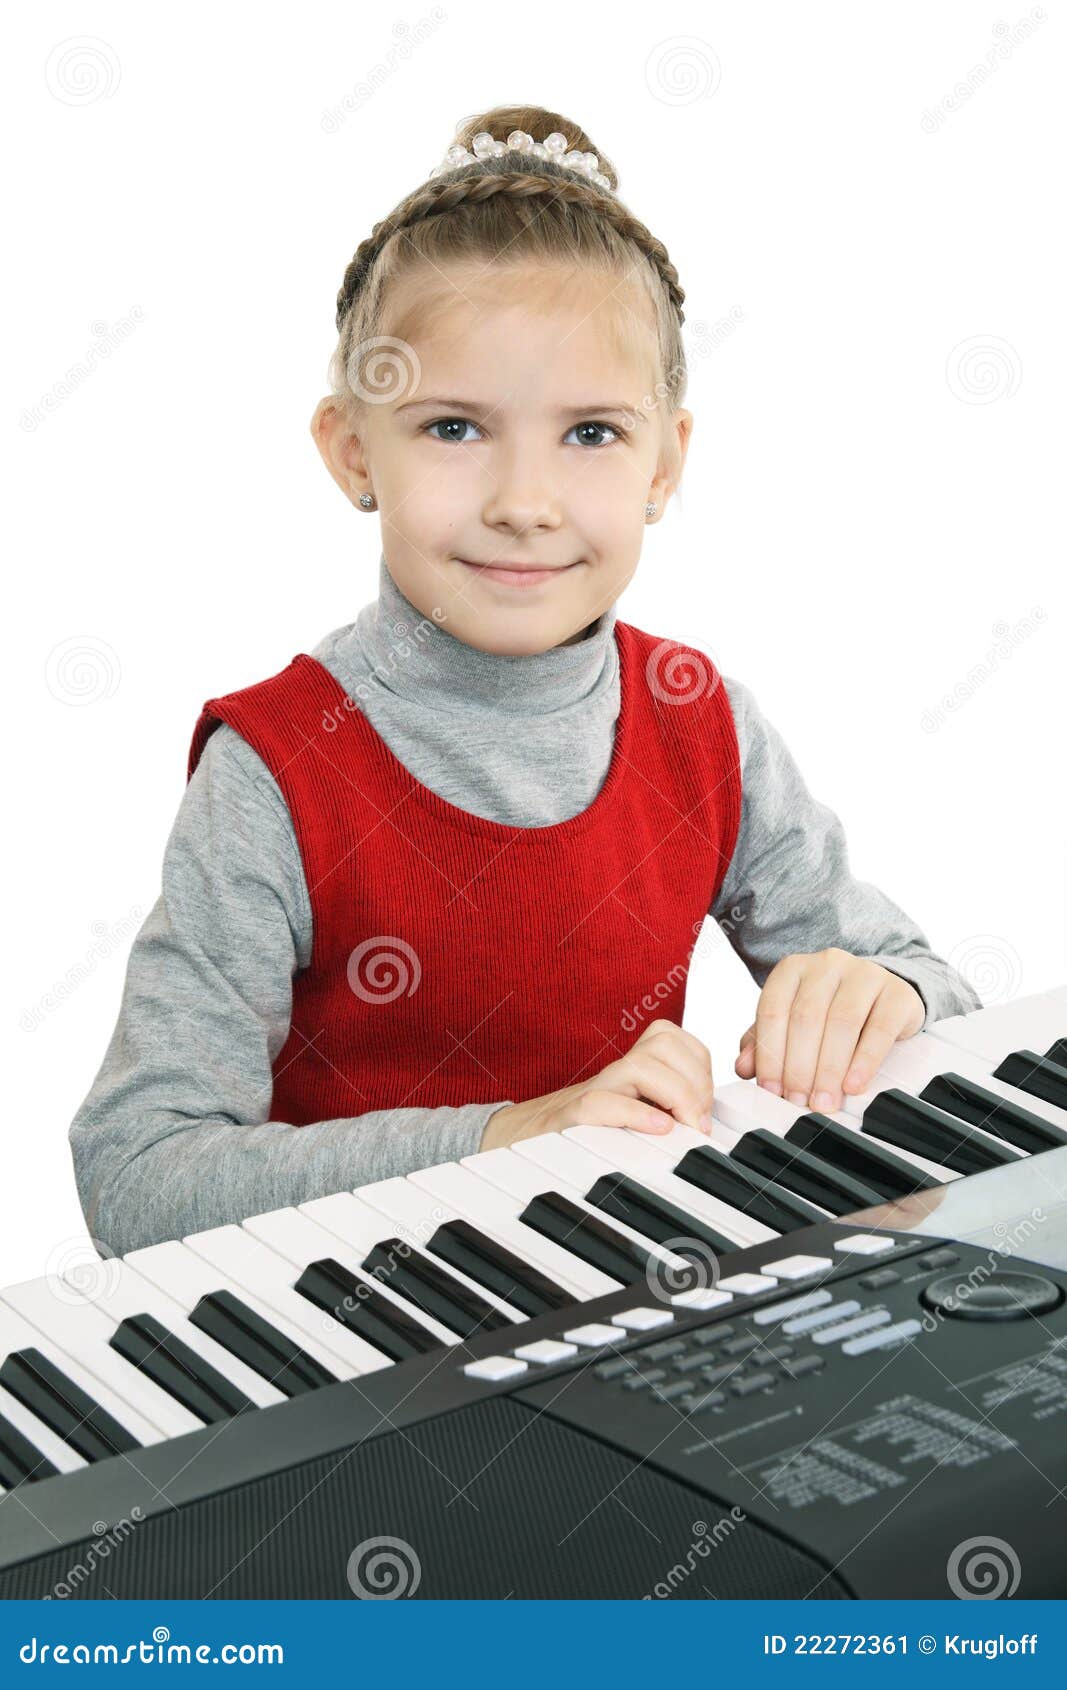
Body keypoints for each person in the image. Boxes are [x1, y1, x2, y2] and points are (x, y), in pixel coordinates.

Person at [69, 104, 981, 1259]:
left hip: (634, 1301)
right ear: (351, 450)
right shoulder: (274, 771)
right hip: (356, 1325)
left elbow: (932, 987)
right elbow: (137, 1175)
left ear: (665, 463)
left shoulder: (701, 723)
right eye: (453, 427)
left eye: (590, 433)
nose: (524, 502)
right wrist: (508, 1139)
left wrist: (883, 998)